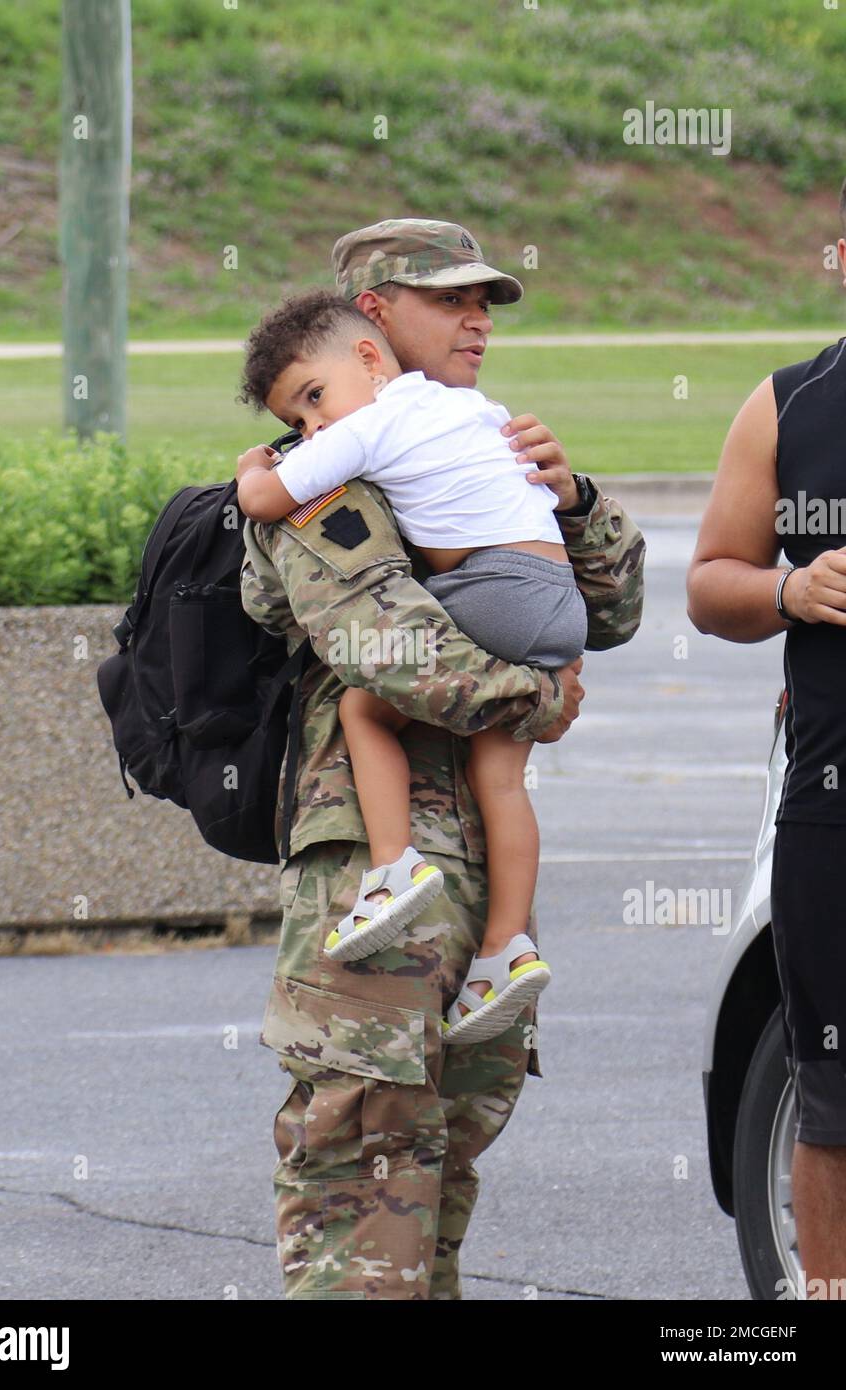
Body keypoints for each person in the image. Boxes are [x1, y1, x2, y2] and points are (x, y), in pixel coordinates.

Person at [240, 217, 645, 1299]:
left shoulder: (470, 436)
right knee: (361, 1194)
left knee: (442, 1177)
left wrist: (573, 504)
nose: (478, 322)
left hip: (468, 864)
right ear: (371, 320)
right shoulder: (324, 477)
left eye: (486, 303)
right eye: (451, 301)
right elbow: (389, 652)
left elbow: (613, 612)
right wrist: (537, 694)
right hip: (371, 878)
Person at [236, 289, 589, 1044]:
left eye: (311, 404)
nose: (313, 428)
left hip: (495, 592)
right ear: (378, 319)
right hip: (552, 601)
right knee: (504, 782)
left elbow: (267, 499)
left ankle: (392, 867)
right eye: (297, 421)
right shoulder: (483, 412)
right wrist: (538, 690)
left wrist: (252, 467)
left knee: (365, 708)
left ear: (368, 355)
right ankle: (506, 949)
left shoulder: (371, 426)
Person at [686, 181, 846, 1296]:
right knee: (830, 1087)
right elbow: (708, 585)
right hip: (834, 800)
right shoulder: (790, 405)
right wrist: (793, 589)